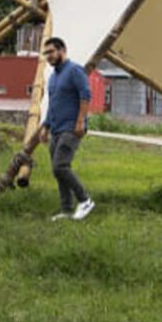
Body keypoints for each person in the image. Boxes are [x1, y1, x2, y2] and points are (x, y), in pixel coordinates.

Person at [41, 36, 94, 221]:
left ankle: (85, 199)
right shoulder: (53, 77)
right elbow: (52, 104)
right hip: (56, 128)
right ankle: (66, 209)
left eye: (51, 52)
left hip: (71, 128)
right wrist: (45, 127)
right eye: (45, 53)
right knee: (58, 171)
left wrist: (80, 121)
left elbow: (85, 95)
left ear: (62, 50)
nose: (48, 56)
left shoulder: (74, 70)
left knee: (60, 166)